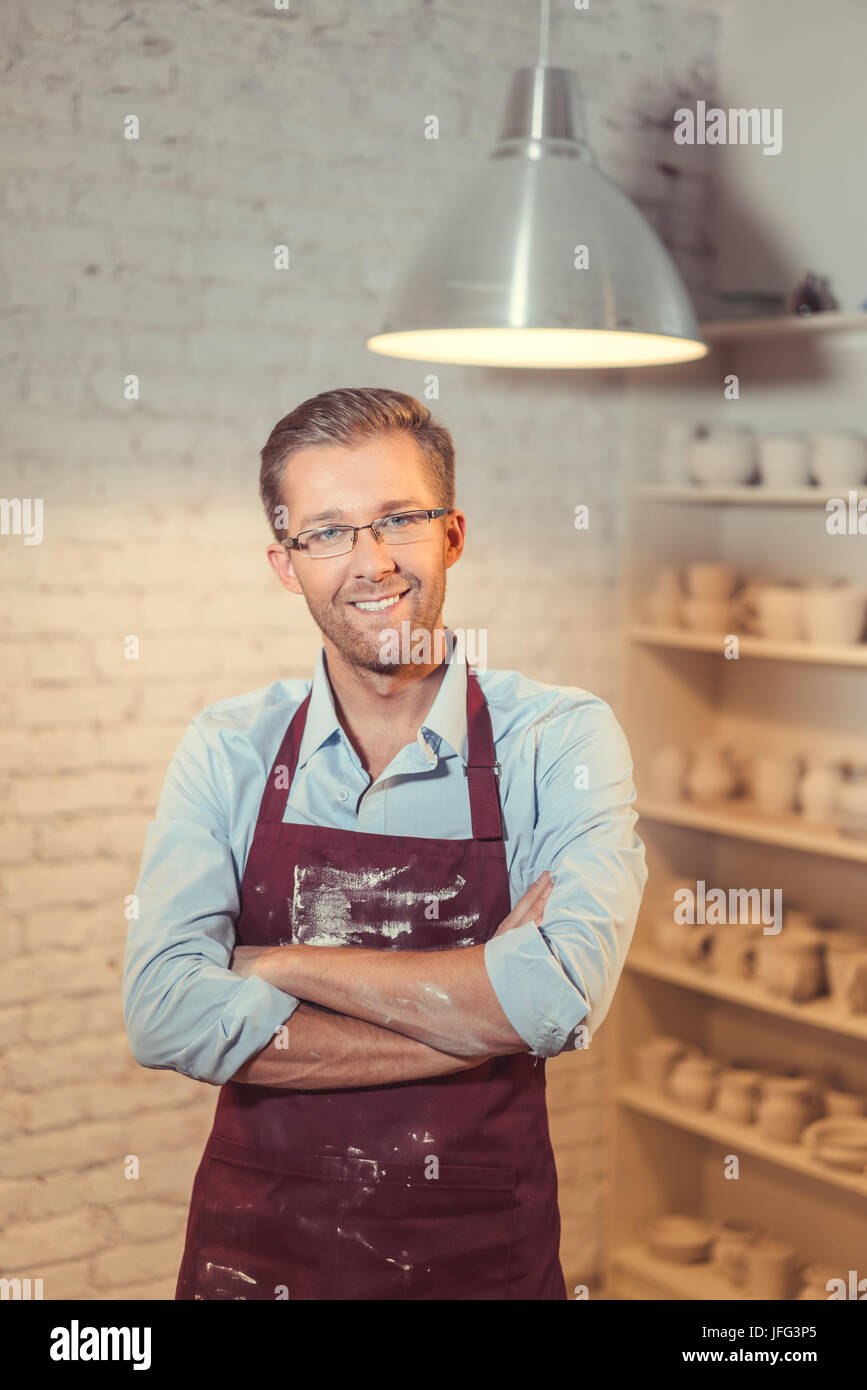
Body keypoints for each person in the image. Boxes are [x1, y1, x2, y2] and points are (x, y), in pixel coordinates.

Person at [123, 386, 647, 1301]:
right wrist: (478, 1013)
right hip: (254, 1260)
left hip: (480, 1257)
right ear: (286, 565)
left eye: (398, 518)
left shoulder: (556, 739)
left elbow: (556, 996)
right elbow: (165, 1014)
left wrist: (279, 966)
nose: (370, 562)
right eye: (326, 531)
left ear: (450, 534)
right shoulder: (230, 746)